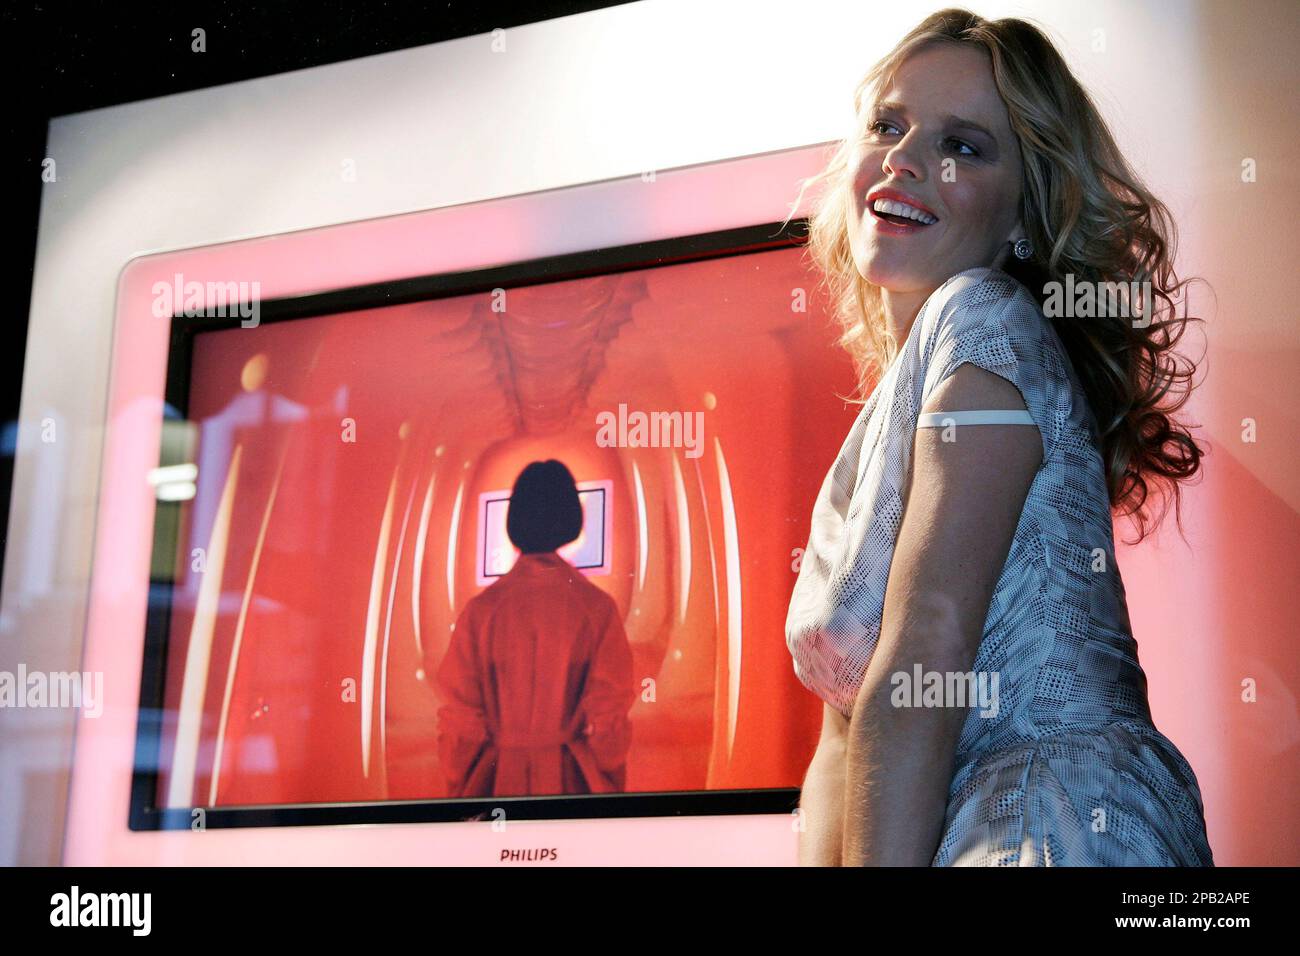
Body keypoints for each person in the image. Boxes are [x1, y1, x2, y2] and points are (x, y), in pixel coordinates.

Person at [783, 8, 1214, 865]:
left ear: (1026, 212)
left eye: (964, 146)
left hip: (1054, 824)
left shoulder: (984, 318)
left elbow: (927, 645)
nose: (906, 158)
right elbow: (845, 741)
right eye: (889, 124)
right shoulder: (902, 398)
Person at [432, 460, 635, 797]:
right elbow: (608, 732)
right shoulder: (597, 609)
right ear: (572, 516)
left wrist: (460, 777)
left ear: (514, 519)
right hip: (573, 784)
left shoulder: (481, 613)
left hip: (494, 784)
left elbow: (460, 725)